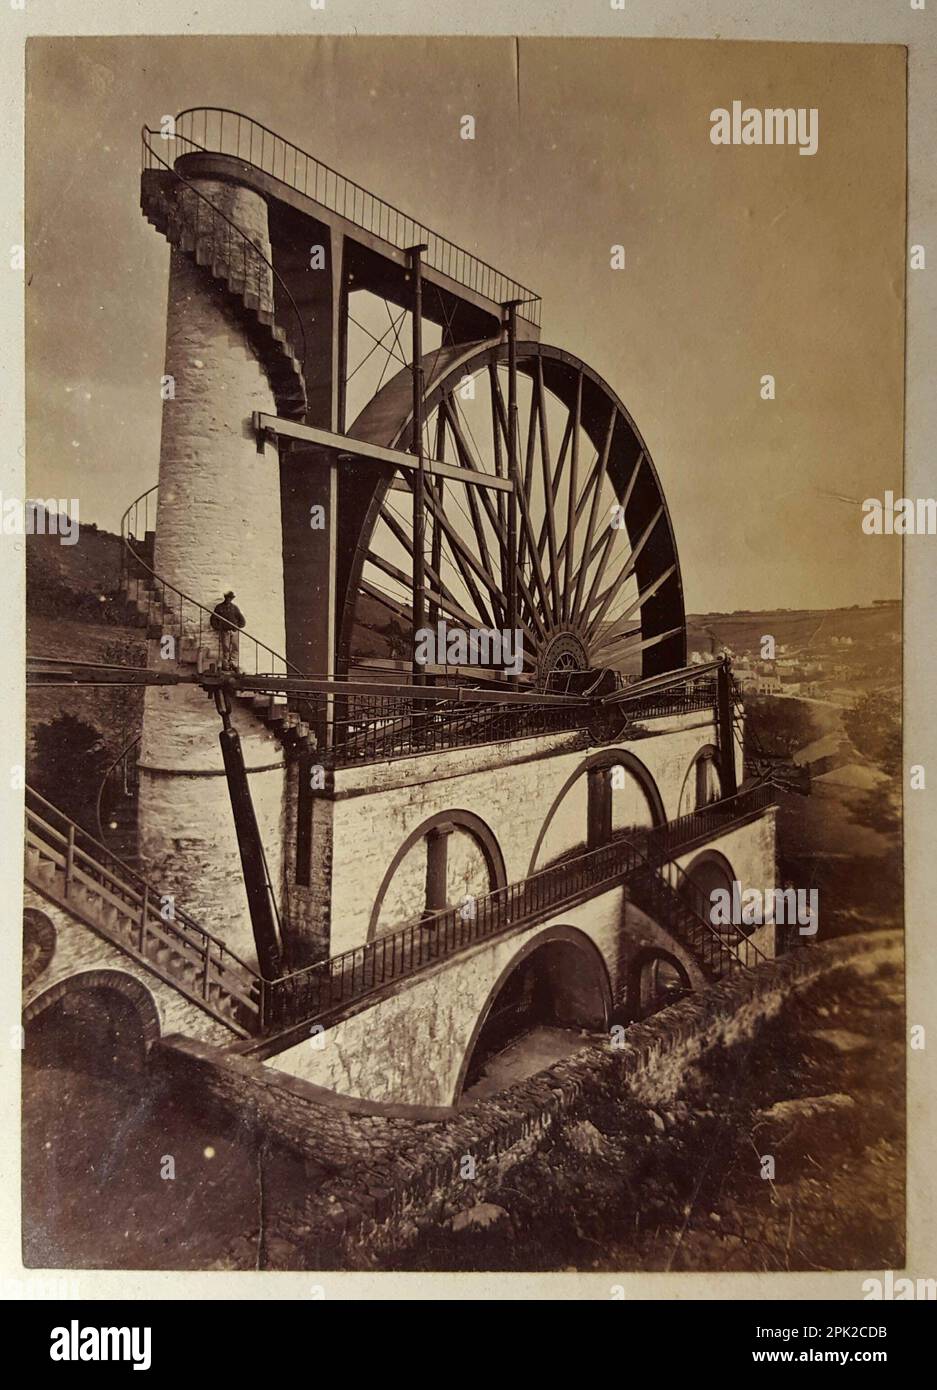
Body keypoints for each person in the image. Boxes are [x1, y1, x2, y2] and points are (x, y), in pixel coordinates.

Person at [210, 590, 245, 672]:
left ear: (232, 599)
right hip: (225, 631)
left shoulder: (234, 608)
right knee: (226, 647)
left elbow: (242, 620)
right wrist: (218, 628)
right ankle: (226, 664)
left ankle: (234, 664)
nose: (228, 599)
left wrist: (238, 626)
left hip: (234, 631)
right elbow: (213, 619)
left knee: (235, 647)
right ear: (225, 598)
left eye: (230, 598)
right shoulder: (219, 607)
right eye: (227, 597)